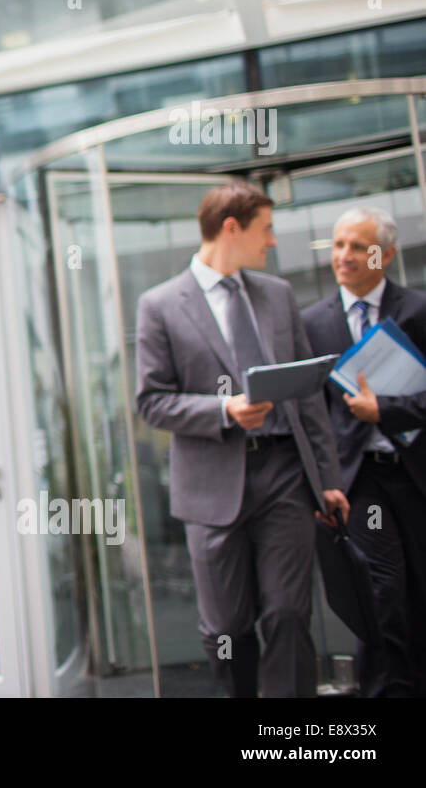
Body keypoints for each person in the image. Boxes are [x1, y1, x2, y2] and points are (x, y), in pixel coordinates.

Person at [134, 182, 348, 697]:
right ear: (231, 228)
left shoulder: (276, 294)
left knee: (289, 614)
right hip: (211, 486)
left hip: (284, 476)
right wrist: (224, 409)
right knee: (227, 628)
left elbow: (308, 398)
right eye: (266, 229)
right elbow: (151, 401)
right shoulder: (160, 305)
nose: (271, 242)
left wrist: (329, 481)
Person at [300, 206, 426, 697]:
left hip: (414, 472)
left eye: (357, 246)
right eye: (337, 245)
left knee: (417, 587)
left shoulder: (417, 311)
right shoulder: (312, 323)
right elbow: (309, 414)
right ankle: (384, 691)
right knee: (381, 590)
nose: (344, 256)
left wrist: (387, 410)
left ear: (386, 254)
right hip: (361, 482)